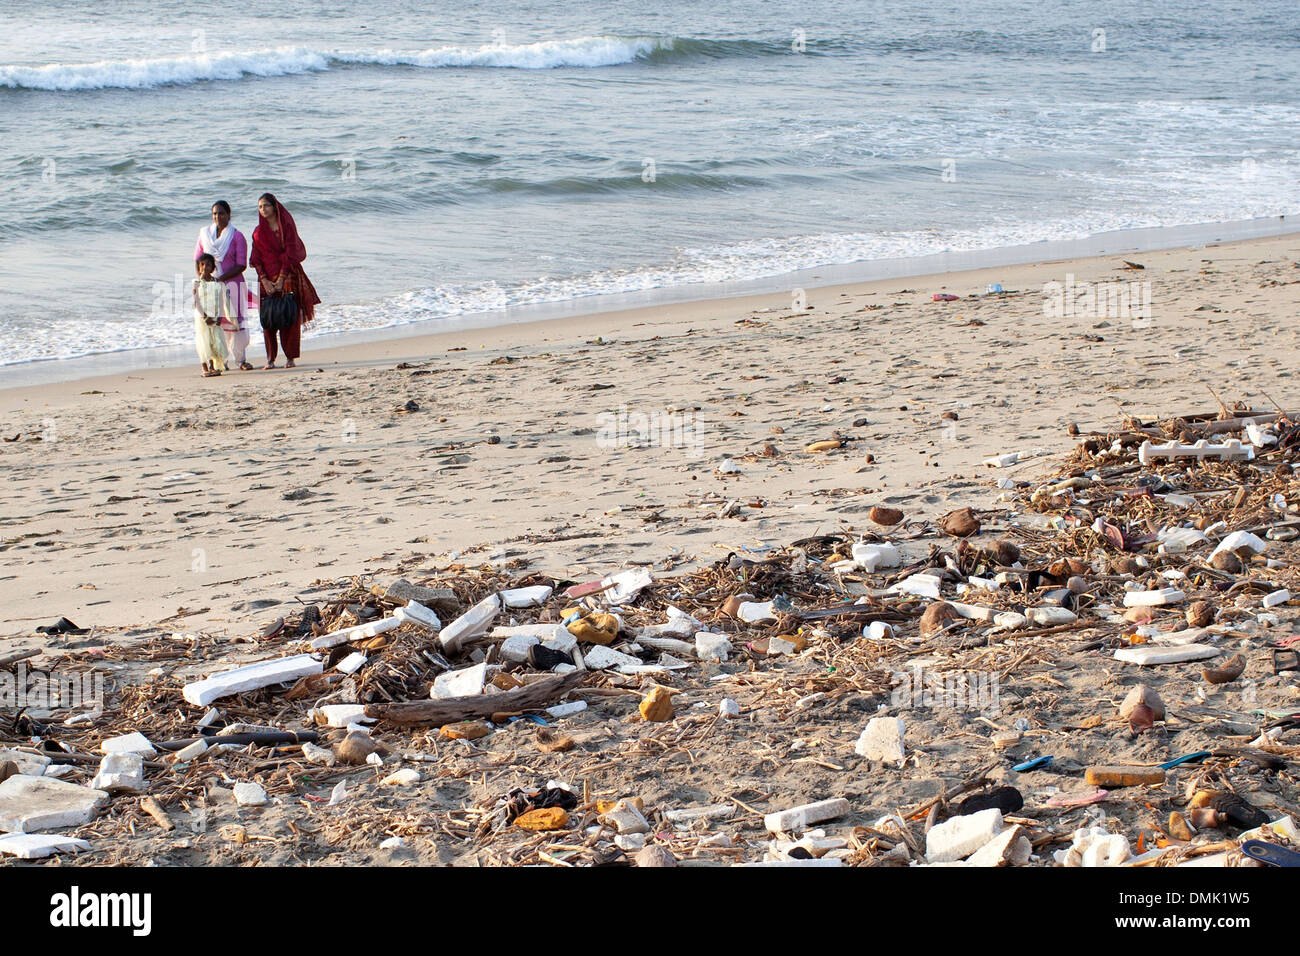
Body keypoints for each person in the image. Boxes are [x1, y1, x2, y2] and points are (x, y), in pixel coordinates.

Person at [249, 193, 320, 369]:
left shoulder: (286, 227)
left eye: (266, 205)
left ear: (274, 206)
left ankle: (290, 358)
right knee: (269, 318)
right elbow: (256, 259)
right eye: (260, 207)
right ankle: (270, 359)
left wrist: (281, 278)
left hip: (288, 276)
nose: (263, 209)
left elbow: (290, 253)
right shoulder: (258, 232)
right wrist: (264, 279)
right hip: (266, 278)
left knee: (290, 316)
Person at [194, 200, 253, 370]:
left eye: (221, 213)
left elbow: (242, 264)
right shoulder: (205, 234)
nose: (217, 217)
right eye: (214, 213)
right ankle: (221, 361)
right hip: (211, 289)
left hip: (233, 284)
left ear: (229, 215)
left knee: (236, 323)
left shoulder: (237, 236)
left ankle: (240, 360)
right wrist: (203, 281)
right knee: (217, 325)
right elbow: (198, 260)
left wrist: (221, 279)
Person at [193, 254, 230, 377]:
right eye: (202, 264)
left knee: (214, 341)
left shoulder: (217, 282)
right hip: (202, 317)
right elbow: (196, 302)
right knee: (204, 341)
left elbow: (220, 300)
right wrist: (205, 317)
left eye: (208, 264)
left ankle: (212, 366)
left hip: (214, 315)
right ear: (198, 267)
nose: (205, 267)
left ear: (213, 267)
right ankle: (204, 368)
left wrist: (219, 316)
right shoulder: (197, 282)